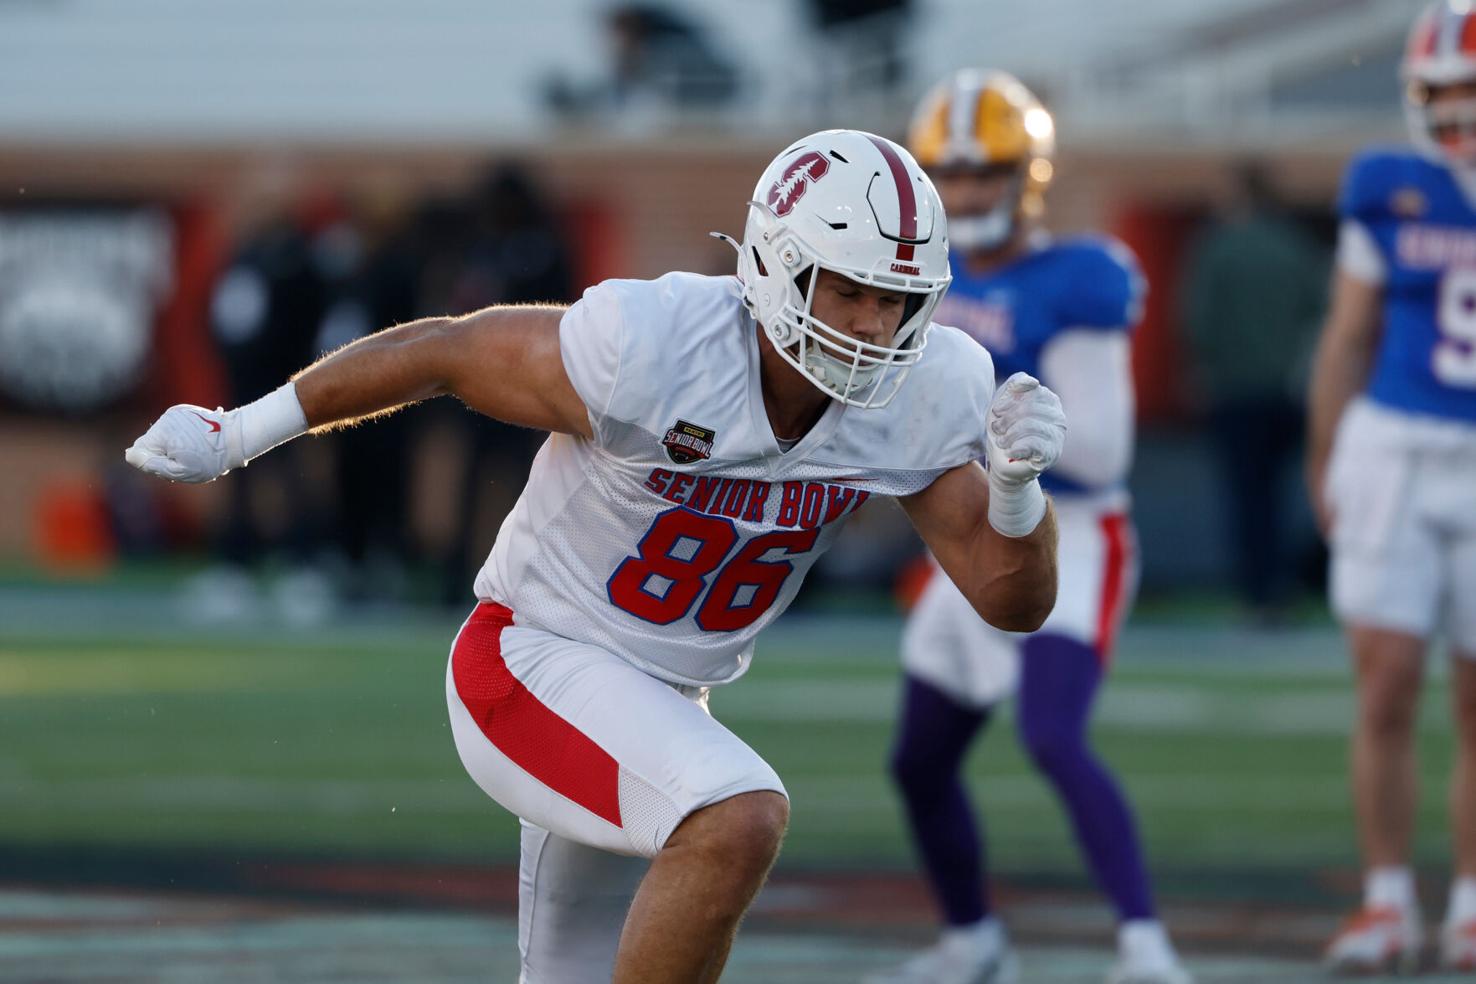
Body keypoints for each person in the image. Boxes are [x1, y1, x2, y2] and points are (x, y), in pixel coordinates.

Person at [125, 129, 1066, 984]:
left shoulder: (926, 389)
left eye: (895, 299)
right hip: (528, 660)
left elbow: (1009, 598)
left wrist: (1020, 496)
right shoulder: (657, 346)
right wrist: (242, 430)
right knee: (736, 816)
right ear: (780, 267)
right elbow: (446, 351)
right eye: (850, 290)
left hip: (657, 699)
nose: (869, 324)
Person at [866, 71, 1190, 984]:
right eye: (950, 174)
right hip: (969, 528)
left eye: (983, 173)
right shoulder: (922, 273)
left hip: (1073, 532)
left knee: (1051, 734)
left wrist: (1004, 431)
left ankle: (1144, 945)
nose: (966, 194)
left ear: (1025, 175)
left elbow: (1102, 450)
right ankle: (972, 942)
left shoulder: (1081, 275)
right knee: (919, 760)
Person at [1308, 1, 1476, 974]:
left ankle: (1467, 905)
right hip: (1397, 446)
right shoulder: (1388, 183)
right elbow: (1347, 332)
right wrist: (1324, 454)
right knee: (1387, 680)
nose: (1456, 117)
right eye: (1441, 98)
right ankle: (1384, 901)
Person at [1181, 162, 1327, 624]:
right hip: (1289, 391)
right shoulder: (1294, 246)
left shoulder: (1219, 247)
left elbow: (1197, 320)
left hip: (1236, 391)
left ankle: (1258, 595)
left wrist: (1202, 370)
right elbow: (1324, 312)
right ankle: (1287, 587)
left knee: (1248, 498)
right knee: (1287, 494)